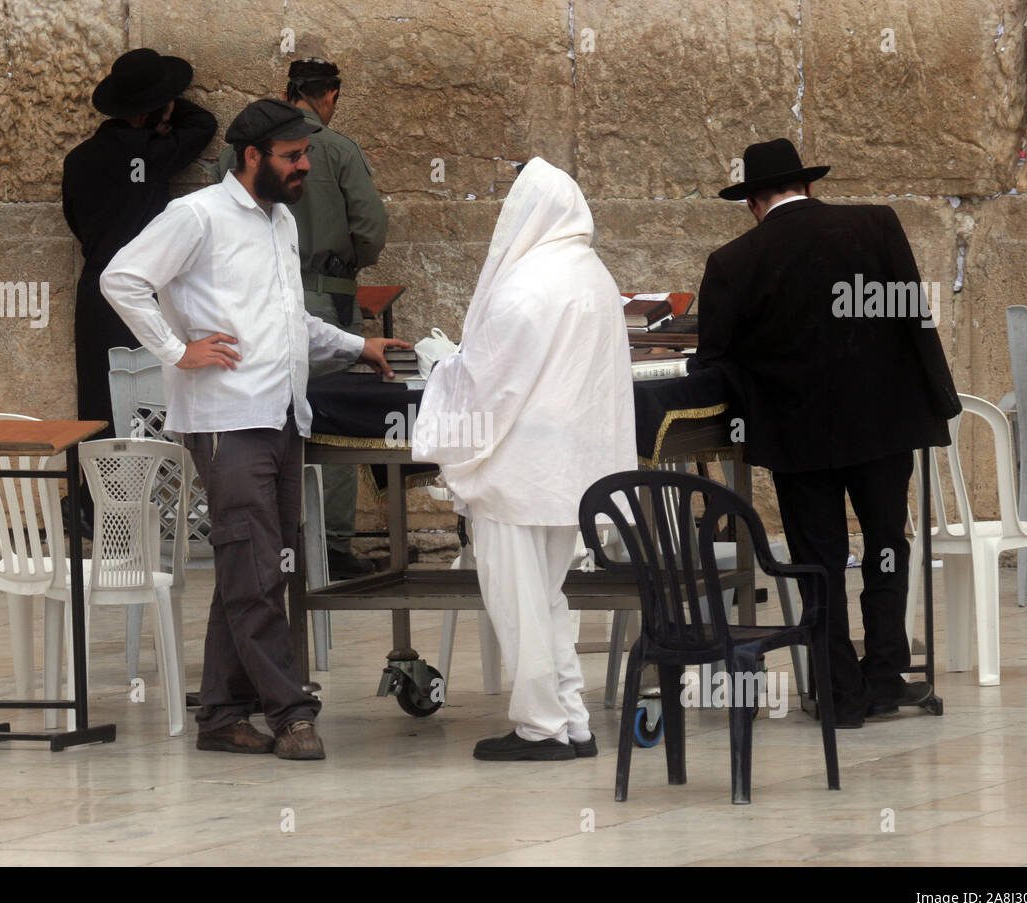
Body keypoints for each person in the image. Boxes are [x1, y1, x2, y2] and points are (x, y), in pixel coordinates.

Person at [101, 98, 409, 760]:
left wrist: (359, 347)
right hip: (227, 420)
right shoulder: (196, 216)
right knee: (257, 570)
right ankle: (292, 712)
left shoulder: (280, 222)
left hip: (280, 414)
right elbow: (121, 279)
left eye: (305, 154)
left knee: (254, 569)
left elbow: (286, 320)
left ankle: (220, 715)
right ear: (252, 158)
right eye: (293, 157)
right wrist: (177, 350)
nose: (304, 167)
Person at [692, 137, 962, 729]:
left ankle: (840, 695)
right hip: (885, 424)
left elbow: (713, 361)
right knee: (887, 544)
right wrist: (936, 401)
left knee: (819, 562)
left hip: (800, 438)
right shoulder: (877, 226)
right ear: (809, 187)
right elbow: (912, 315)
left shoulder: (732, 262)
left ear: (753, 204)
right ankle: (887, 672)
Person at [413, 158, 637, 760]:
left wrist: (441, 368)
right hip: (568, 475)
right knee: (548, 595)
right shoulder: (591, 274)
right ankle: (572, 719)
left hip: (517, 472)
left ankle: (541, 727)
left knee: (518, 600)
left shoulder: (529, 283)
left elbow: (491, 383)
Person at [212, 57, 388, 580]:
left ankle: (274, 545)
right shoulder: (337, 148)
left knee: (268, 423)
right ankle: (331, 545)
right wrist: (346, 260)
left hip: (254, 299)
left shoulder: (236, 152)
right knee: (330, 419)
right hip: (327, 297)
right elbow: (371, 226)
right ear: (329, 95)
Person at [62, 48, 217, 446]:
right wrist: (165, 114)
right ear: (152, 109)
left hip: (97, 289)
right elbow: (204, 123)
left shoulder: (78, 159)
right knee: (151, 398)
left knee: (100, 395)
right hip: (145, 290)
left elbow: (76, 222)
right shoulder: (154, 152)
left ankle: (99, 499)